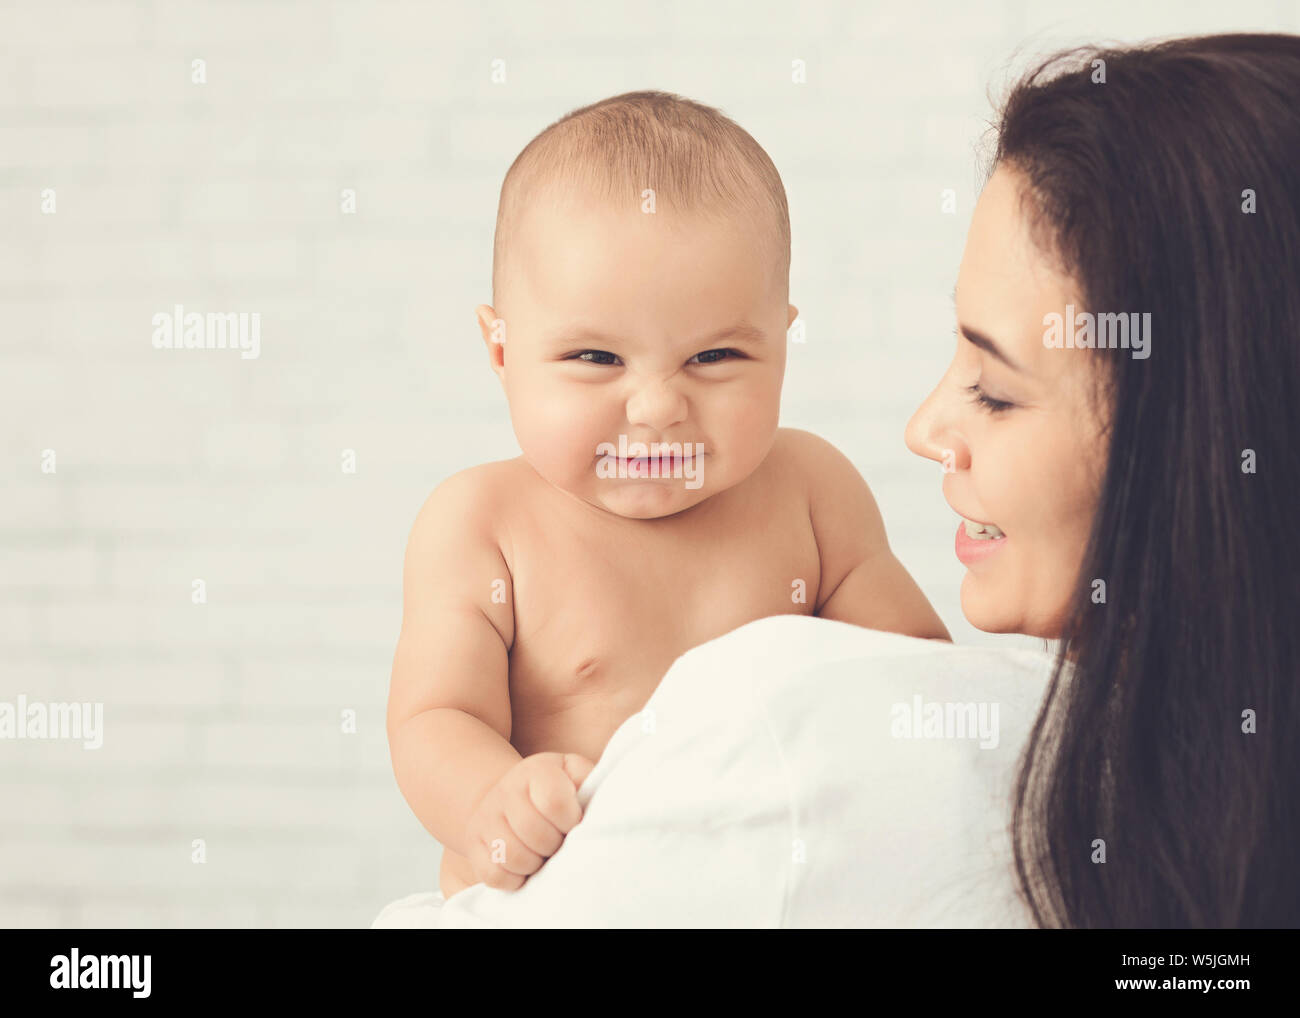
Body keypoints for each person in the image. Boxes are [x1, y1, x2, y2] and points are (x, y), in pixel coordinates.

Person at [374, 32, 1300, 929]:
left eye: (714, 355)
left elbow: (919, 680)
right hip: (546, 873)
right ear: (500, 350)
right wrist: (492, 801)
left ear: (782, 337)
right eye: (593, 357)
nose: (656, 407)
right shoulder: (485, 524)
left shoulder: (809, 490)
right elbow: (433, 714)